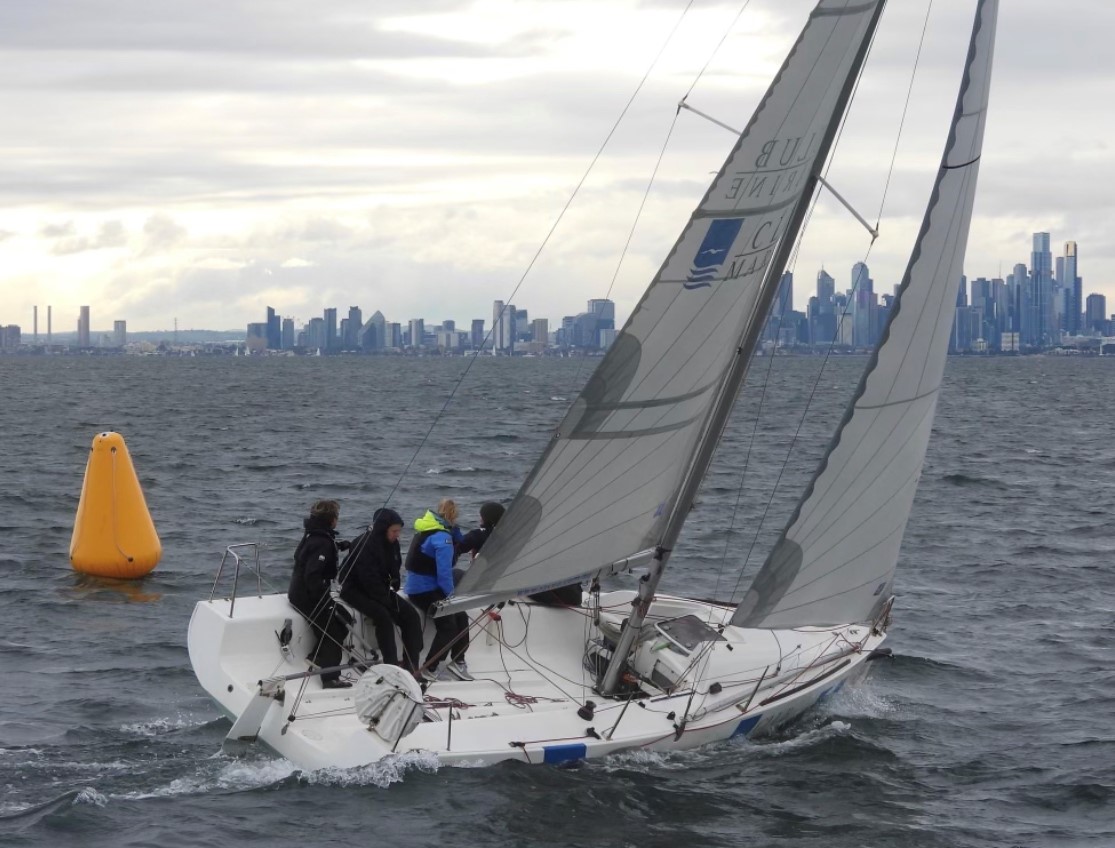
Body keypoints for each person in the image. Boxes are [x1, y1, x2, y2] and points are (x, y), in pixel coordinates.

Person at [339, 507, 424, 677]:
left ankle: (411, 666)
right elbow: (367, 578)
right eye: (394, 531)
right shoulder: (364, 544)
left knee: (411, 616)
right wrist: (385, 601)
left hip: (381, 589)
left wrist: (395, 582)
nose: (397, 535)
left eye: (399, 531)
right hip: (354, 589)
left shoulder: (392, 544)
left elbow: (394, 566)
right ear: (383, 529)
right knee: (383, 617)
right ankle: (391, 667)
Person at [287, 499, 352, 689]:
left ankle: (316, 657)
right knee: (334, 631)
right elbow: (312, 575)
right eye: (336, 517)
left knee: (345, 618)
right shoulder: (321, 542)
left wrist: (340, 546)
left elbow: (317, 550)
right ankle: (330, 678)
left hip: (305, 593)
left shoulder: (315, 535)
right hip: (308, 597)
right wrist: (325, 600)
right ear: (331, 520)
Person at [404, 498, 472, 681]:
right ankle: (430, 667)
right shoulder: (443, 538)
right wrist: (451, 596)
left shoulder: (427, 528)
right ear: (454, 517)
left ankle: (458, 661)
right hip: (423, 591)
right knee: (448, 625)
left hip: (418, 587)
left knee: (461, 615)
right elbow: (444, 573)